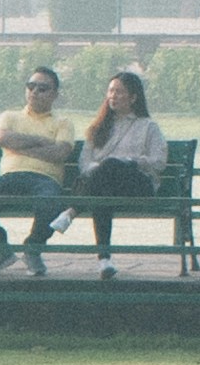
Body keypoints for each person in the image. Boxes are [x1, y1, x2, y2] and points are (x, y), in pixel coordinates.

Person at [0, 64, 80, 271]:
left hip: (45, 180)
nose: (35, 91)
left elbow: (60, 153)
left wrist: (21, 147)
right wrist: (43, 141)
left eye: (43, 88)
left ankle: (33, 249)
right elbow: (3, 138)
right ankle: (1, 250)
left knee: (51, 204)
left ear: (55, 94)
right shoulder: (9, 117)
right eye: (31, 86)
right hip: (10, 177)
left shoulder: (63, 123)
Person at [70, 66, 176, 274]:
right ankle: (104, 260)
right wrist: (101, 168)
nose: (113, 96)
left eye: (118, 92)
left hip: (137, 185)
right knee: (102, 192)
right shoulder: (98, 127)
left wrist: (131, 162)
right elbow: (85, 163)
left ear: (133, 97)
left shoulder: (148, 127)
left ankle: (73, 209)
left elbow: (158, 161)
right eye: (110, 91)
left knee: (111, 164)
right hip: (104, 187)